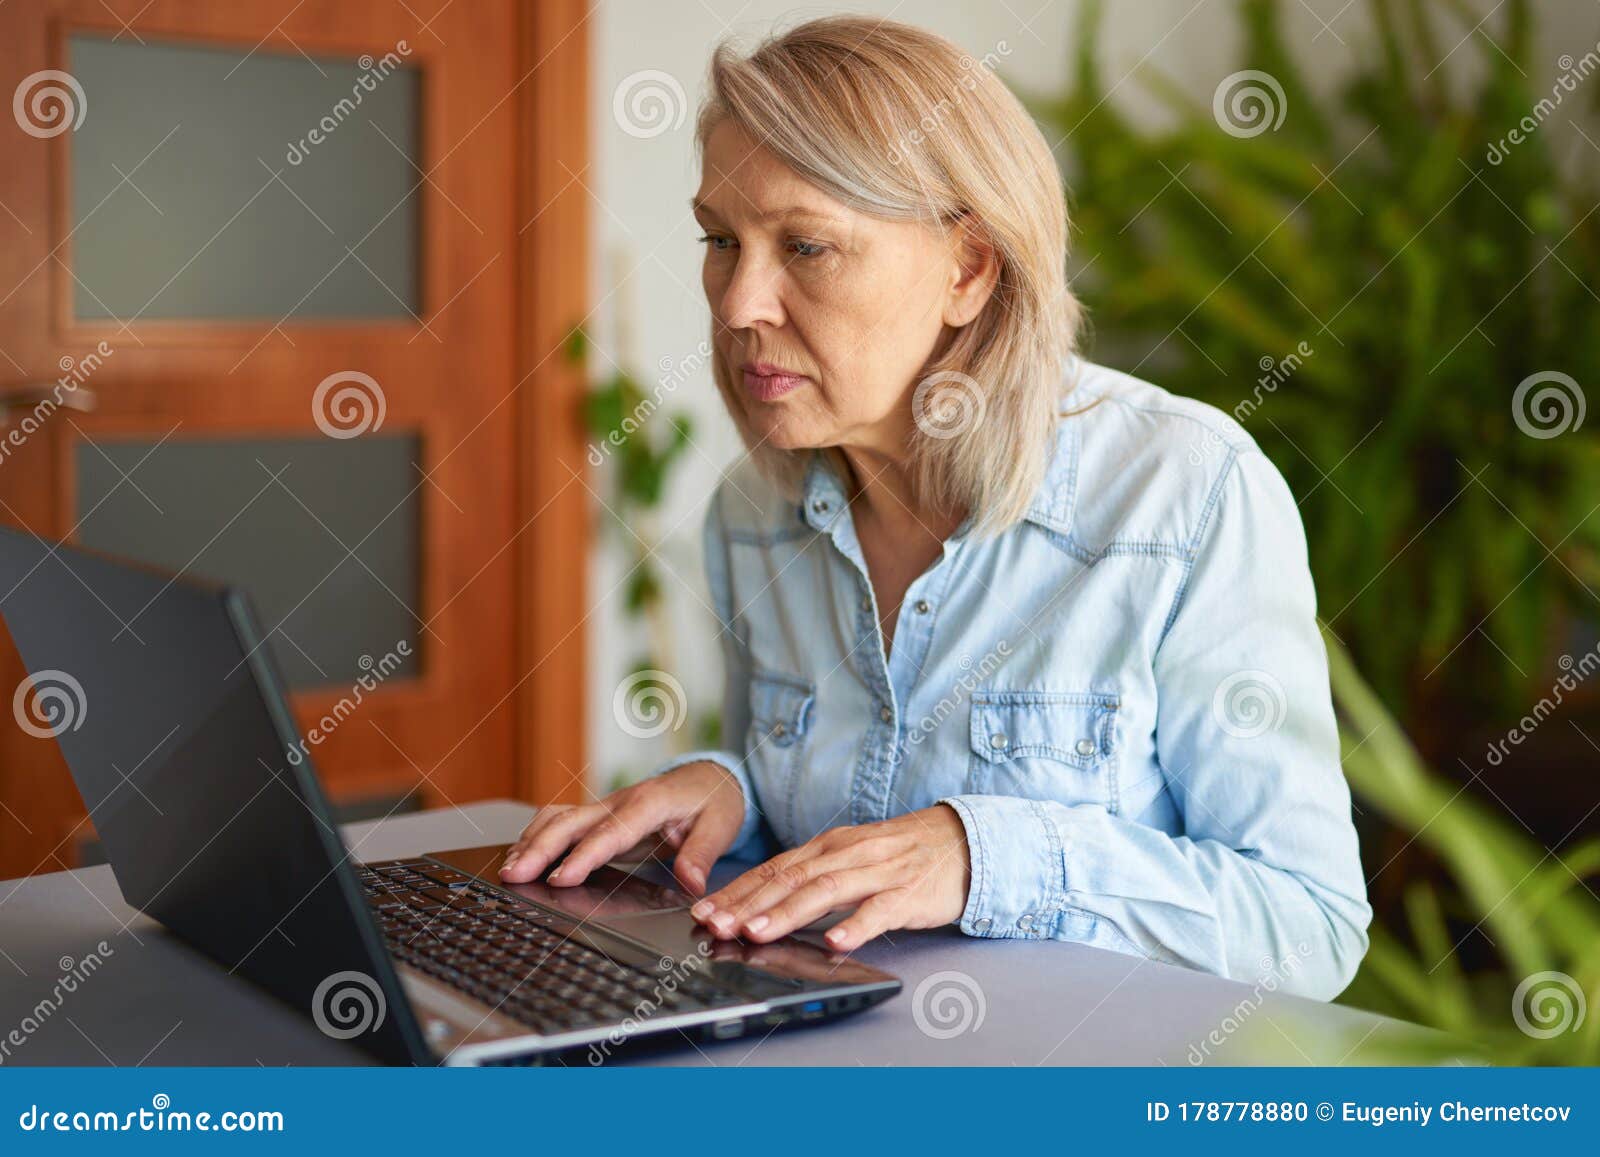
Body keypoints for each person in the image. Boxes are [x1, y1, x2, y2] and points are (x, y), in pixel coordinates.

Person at [501, 15, 1370, 1000]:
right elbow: (826, 804)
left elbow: (1308, 928)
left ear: (968, 268)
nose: (739, 302)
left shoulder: (1185, 492)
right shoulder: (752, 511)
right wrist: (728, 792)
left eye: (807, 245)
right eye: (719, 238)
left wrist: (986, 854)